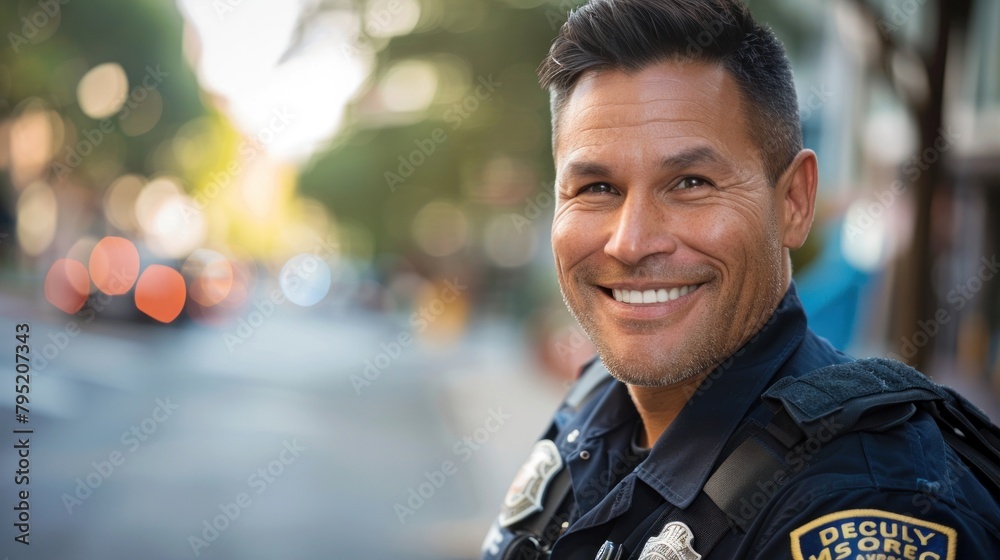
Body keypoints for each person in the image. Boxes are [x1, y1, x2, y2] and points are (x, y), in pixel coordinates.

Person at [480, 1, 1000, 559]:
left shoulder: (868, 502)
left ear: (794, 202)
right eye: (597, 188)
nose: (630, 243)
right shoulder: (594, 407)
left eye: (690, 182)